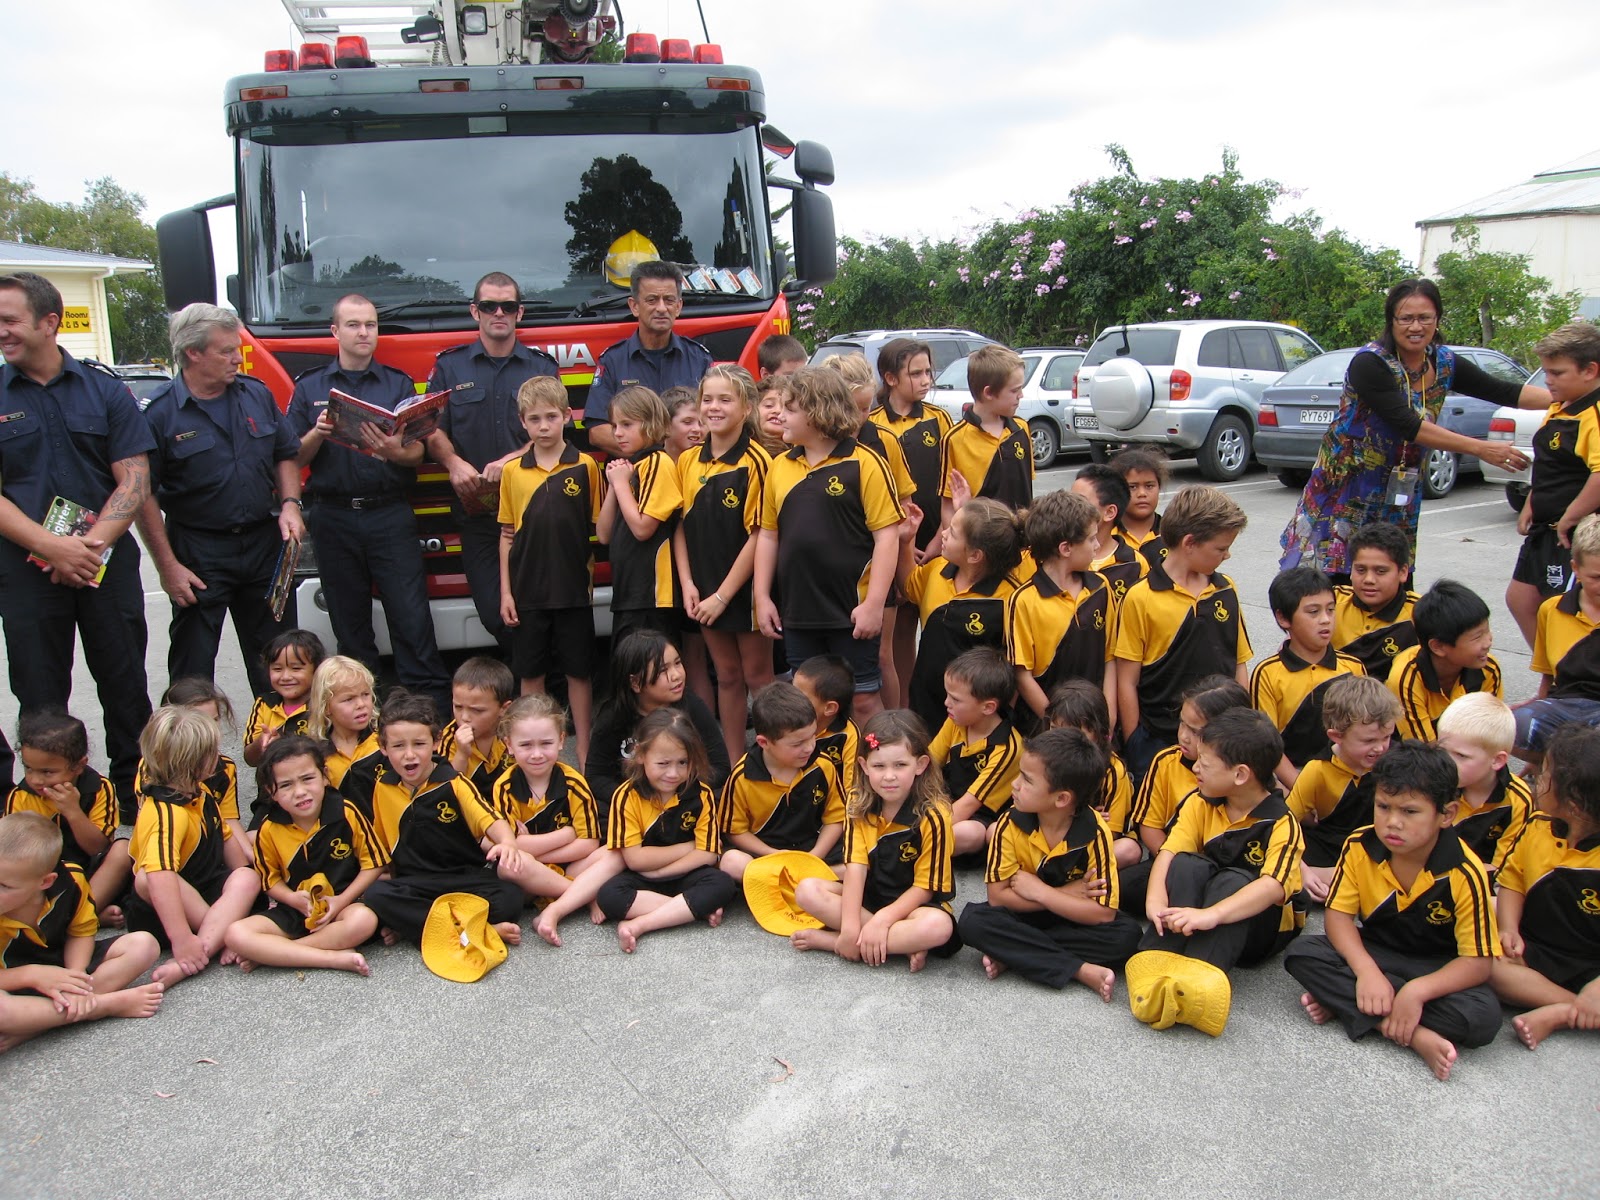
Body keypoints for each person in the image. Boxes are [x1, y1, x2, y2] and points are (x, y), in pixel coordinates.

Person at [0, 271, 153, 818]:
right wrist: (52, 547)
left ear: (49, 322)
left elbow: (133, 480)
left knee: (125, 688)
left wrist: (86, 549)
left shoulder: (104, 389)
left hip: (105, 563)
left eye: (10, 320)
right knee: (40, 698)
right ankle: (51, 817)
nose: (2, 332)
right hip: (24, 570)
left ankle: (135, 811)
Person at [1280, 278, 1544, 582]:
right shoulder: (1370, 362)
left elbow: (1505, 391)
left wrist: (1572, 397)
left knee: (1394, 575)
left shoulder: (1443, 361)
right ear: (1391, 321)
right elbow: (1408, 424)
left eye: (1424, 318)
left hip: (1400, 488)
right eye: (1406, 318)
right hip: (1350, 487)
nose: (1415, 327)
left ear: (1437, 320)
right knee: (1342, 579)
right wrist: (1482, 448)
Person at [1284, 741, 1502, 1082]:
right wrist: (1368, 973)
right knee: (1302, 953)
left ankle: (1348, 1002)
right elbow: (1338, 918)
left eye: (1410, 812)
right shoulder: (1359, 845)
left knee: (1483, 1019)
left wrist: (1416, 992)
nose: (1392, 823)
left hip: (1433, 967)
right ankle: (1410, 1033)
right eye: (1383, 806)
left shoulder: (1465, 872)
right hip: (1376, 952)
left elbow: (1477, 963)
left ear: (1446, 814)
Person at [288, 293, 450, 712]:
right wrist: (318, 433)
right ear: (335, 331)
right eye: (354, 325)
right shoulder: (310, 388)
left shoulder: (396, 384)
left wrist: (391, 450)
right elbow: (290, 459)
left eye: (371, 325)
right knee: (349, 623)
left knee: (411, 616)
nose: (364, 333)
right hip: (333, 515)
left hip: (389, 512)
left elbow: (416, 455)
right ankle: (362, 712)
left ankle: (427, 711)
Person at [137, 303, 306, 696]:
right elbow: (141, 494)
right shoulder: (160, 414)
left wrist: (291, 504)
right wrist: (167, 566)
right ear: (193, 353)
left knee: (280, 661)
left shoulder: (255, 395)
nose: (237, 357)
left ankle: (283, 752)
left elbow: (285, 452)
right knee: (192, 669)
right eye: (226, 350)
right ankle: (191, 755)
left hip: (264, 545)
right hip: (199, 552)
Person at [755, 368, 904, 719]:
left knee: (863, 699)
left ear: (818, 412)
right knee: (806, 702)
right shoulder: (779, 467)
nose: (780, 415)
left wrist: (873, 605)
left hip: (851, 611)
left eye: (790, 408)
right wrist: (761, 596)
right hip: (799, 610)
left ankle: (874, 771)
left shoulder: (866, 463)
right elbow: (768, 534)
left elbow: (887, 537)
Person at [425, 272, 561, 656]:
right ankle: (534, 689)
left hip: (534, 511)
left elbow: (554, 433)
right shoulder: (450, 369)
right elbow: (431, 429)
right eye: (488, 306)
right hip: (480, 515)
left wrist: (511, 460)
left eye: (508, 306)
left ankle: (535, 696)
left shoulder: (541, 368)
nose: (498, 313)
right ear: (475, 311)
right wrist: (453, 463)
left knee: (540, 608)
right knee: (494, 612)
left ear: (520, 313)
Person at [958, 728, 1141, 995]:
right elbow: (998, 899)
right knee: (973, 922)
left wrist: (1043, 893)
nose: (1015, 785)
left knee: (1128, 936)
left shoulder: (1095, 831)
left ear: (1062, 799)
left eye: (1027, 780)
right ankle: (1079, 969)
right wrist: (1065, 893)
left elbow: (1103, 914)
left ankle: (1015, 953)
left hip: (1066, 919)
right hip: (1024, 915)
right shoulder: (1009, 823)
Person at [351, 690, 529, 947]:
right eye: (398, 746)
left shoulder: (453, 782)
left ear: (435, 742)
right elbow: (382, 844)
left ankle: (420, 926)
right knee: (377, 894)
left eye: (419, 744)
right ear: (383, 747)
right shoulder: (383, 787)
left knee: (510, 897)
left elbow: (490, 819)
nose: (409, 755)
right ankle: (475, 930)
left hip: (464, 878)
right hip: (416, 883)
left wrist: (508, 843)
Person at [1137, 709, 1304, 982]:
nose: (1195, 768)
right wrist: (1155, 899)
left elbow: (1273, 887)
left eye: (1205, 762)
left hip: (1256, 930)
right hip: (1204, 913)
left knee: (1234, 879)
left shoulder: (1282, 823)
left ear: (1240, 774)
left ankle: (1199, 977)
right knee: (1186, 863)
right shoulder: (1200, 801)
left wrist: (1212, 915)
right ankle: (1157, 960)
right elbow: (1169, 852)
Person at [790, 709, 960, 971]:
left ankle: (835, 942)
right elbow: (855, 870)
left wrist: (882, 921)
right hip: (870, 896)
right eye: (879, 766)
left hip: (914, 905)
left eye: (900, 765)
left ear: (921, 764)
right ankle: (891, 945)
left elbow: (925, 887)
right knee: (807, 890)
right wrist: (849, 927)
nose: (888, 776)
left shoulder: (934, 814)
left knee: (937, 927)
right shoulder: (858, 803)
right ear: (864, 766)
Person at [1114, 485, 1252, 782]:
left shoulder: (1225, 589)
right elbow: (1127, 680)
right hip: (1160, 739)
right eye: (1220, 548)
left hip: (1221, 741)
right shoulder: (1142, 597)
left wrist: (1245, 725)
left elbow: (1238, 662)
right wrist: (1135, 741)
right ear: (1189, 542)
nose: (1227, 555)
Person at [498, 375, 602, 765]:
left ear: (567, 417)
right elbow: (507, 536)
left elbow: (599, 527)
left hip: (574, 588)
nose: (543, 426)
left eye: (551, 417)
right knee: (531, 674)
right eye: (534, 419)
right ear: (522, 422)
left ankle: (587, 750)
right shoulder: (513, 472)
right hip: (527, 592)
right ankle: (532, 747)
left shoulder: (586, 466)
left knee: (579, 672)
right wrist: (506, 593)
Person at [673, 365, 774, 764]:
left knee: (757, 678)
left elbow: (759, 536)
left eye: (725, 399)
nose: (713, 407)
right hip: (703, 588)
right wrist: (688, 584)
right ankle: (733, 766)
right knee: (726, 676)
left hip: (742, 589)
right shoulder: (686, 462)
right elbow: (679, 526)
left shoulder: (757, 461)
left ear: (746, 407)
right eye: (707, 399)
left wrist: (722, 595)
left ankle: (773, 761)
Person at [0, 811, 163, 1051]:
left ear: (45, 881)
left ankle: (36, 1025)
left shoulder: (72, 880)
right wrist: (32, 974)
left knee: (144, 945)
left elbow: (81, 931)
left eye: (4, 886)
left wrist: (74, 978)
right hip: (11, 981)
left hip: (62, 964)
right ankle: (103, 1006)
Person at [222, 736, 383, 976]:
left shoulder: (346, 812)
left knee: (364, 920)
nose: (300, 792)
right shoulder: (269, 828)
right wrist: (292, 899)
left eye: (308, 779)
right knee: (235, 934)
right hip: (296, 909)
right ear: (271, 792)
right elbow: (270, 880)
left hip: (340, 907)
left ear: (325, 776)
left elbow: (374, 864)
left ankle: (280, 954)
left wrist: (342, 900)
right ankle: (330, 957)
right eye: (286, 785)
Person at [124, 707, 260, 988]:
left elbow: (228, 846)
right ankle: (199, 952)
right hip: (166, 913)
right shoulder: (164, 813)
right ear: (196, 763)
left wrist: (251, 880)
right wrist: (181, 938)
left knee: (247, 877)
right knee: (147, 877)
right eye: (214, 751)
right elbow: (160, 879)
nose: (219, 756)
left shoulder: (201, 792)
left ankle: (216, 937)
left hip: (206, 891)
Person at [1491, 726, 1600, 1050]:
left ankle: (1568, 1012)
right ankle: (1573, 1009)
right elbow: (1512, 881)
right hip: (1538, 948)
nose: (1536, 774)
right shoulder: (1537, 826)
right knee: (1485, 964)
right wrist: (1509, 929)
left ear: (1576, 805)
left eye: (1546, 773)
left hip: (1594, 963)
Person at [596, 708, 737, 952]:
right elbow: (635, 859)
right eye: (663, 763)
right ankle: (687, 909)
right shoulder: (626, 795)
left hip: (685, 874)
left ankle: (643, 924)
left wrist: (660, 873)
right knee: (609, 895)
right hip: (642, 877)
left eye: (683, 762)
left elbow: (708, 854)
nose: (673, 773)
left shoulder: (702, 795)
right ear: (640, 755)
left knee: (723, 884)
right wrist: (688, 846)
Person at [827, 352, 920, 709]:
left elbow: (906, 510)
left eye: (866, 408)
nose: (858, 419)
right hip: (827, 577)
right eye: (851, 408)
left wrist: (903, 553)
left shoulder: (884, 442)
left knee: (882, 658)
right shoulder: (808, 444)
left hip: (876, 569)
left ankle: (896, 729)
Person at [490, 695, 616, 947]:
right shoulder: (503, 787)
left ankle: (555, 909)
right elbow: (508, 847)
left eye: (546, 743)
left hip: (571, 866)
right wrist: (565, 835)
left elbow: (589, 843)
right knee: (508, 865)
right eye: (525, 745)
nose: (536, 754)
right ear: (509, 745)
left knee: (616, 854)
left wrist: (530, 844)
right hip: (529, 877)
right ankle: (583, 894)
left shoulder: (574, 784)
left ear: (560, 740)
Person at [1124, 676, 1251, 914]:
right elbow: (1149, 827)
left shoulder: (1244, 773)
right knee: (1124, 887)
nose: (1183, 736)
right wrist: (1173, 864)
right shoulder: (1166, 762)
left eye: (1195, 731)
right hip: (1173, 859)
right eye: (1182, 724)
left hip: (1227, 870)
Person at [1507, 324, 1600, 648]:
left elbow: (1599, 475)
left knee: (1566, 612)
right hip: (1543, 530)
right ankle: (1555, 675)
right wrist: (1532, 503)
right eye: (1545, 372)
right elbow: (1551, 464)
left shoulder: (1594, 414)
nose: (1548, 380)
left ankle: (1573, 680)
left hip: (1574, 534)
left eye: (1557, 373)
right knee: (1521, 600)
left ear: (1590, 370)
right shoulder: (1559, 408)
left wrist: (1570, 518)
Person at [898, 498, 1023, 732]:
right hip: (926, 704)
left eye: (953, 533)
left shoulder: (1010, 598)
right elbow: (909, 586)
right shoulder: (937, 571)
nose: (943, 534)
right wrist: (905, 542)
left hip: (975, 719)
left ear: (975, 555)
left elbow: (1016, 668)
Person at [585, 632, 731, 821]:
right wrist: (637, 801)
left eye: (678, 663)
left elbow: (720, 767)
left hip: (684, 802)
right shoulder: (614, 717)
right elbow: (595, 776)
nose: (676, 675)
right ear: (636, 682)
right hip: (632, 807)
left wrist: (680, 791)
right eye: (663, 670)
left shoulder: (692, 707)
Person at [1006, 490, 1115, 731]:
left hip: (1095, 726)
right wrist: (1057, 723)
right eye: (1091, 539)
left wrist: (1108, 719)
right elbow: (1022, 675)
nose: (1097, 546)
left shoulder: (1100, 588)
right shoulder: (1024, 600)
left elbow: (1109, 659)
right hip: (1047, 727)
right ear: (1065, 548)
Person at [1287, 675, 1402, 903]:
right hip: (1331, 846)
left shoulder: (1398, 762)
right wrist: (1303, 870)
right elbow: (1283, 823)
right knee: (1283, 861)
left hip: (1379, 844)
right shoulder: (1318, 770)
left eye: (1387, 737)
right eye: (1368, 741)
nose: (1380, 748)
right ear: (1336, 736)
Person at [583, 261, 713, 457]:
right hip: (634, 478)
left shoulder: (699, 359)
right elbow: (597, 432)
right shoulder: (613, 360)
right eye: (652, 300)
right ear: (634, 306)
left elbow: (715, 421)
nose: (661, 308)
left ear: (678, 307)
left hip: (689, 477)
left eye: (669, 300)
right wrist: (655, 458)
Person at [719, 681, 846, 881]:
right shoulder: (742, 776)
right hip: (767, 853)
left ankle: (785, 885)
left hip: (814, 848)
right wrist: (773, 854)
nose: (809, 747)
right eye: (797, 743)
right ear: (764, 742)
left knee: (858, 861)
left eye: (812, 736)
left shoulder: (823, 765)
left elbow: (836, 819)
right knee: (731, 862)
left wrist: (815, 856)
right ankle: (804, 885)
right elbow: (735, 831)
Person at [1250, 565, 1366, 783]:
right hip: (1290, 778)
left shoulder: (1353, 667)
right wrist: (1300, 788)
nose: (1325, 619)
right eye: (1313, 612)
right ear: (1284, 618)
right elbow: (1267, 743)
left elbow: (1363, 734)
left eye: (1330, 610)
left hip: (1345, 776)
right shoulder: (1267, 674)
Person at [5, 712, 121, 911]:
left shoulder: (99, 788)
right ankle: (84, 920)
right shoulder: (21, 797)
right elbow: (16, 855)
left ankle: (84, 914)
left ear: (79, 766)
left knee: (122, 852)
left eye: (47, 772)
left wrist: (73, 811)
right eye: (28, 768)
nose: (35, 780)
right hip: (44, 878)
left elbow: (98, 848)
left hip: (90, 873)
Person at [598, 385, 683, 644]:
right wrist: (615, 484)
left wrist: (622, 483)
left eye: (627, 424)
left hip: (653, 595)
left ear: (650, 423)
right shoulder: (633, 466)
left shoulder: (659, 462)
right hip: (627, 591)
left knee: (651, 672)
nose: (618, 433)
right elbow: (603, 534)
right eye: (614, 426)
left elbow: (643, 528)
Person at [1515, 514, 1600, 760]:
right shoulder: (1551, 610)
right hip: (1566, 706)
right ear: (1576, 569)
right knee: (1505, 726)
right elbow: (1548, 679)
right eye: (1596, 577)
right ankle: (1549, 769)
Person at [931, 649, 1023, 856]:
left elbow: (970, 804)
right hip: (947, 801)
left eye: (955, 699)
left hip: (979, 816)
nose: (946, 703)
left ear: (988, 707)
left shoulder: (1007, 748)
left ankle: (912, 850)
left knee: (970, 833)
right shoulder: (956, 721)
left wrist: (924, 830)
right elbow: (928, 763)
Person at [142, 678, 247, 858]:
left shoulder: (225, 767)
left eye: (214, 720)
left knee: (262, 839)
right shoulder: (152, 768)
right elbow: (156, 824)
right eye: (200, 721)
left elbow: (228, 820)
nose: (210, 729)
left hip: (212, 838)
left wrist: (253, 860)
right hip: (170, 845)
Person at [1387, 579, 1501, 742]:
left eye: (1487, 631)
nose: (1488, 643)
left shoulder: (1488, 668)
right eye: (1477, 637)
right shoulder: (1406, 678)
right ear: (1438, 647)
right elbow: (1425, 752)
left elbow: (1489, 735)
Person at [1045, 681, 1140, 870]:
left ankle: (1062, 872)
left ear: (1097, 733)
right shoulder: (1042, 759)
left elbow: (1111, 833)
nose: (1063, 739)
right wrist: (1081, 816)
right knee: (995, 831)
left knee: (1128, 850)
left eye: (1074, 732)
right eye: (1055, 729)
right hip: (1048, 833)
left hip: (1091, 843)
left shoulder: (1112, 771)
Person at [1436, 693, 1530, 876]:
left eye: (1461, 756)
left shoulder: (1517, 801)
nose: (1447, 762)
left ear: (1497, 760)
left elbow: (1502, 868)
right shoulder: (1433, 782)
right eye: (1442, 751)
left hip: (1479, 884)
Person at [940, 344, 1033, 522]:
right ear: (989, 392)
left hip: (1023, 542)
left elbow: (1027, 491)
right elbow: (948, 505)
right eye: (1014, 390)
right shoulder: (955, 439)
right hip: (981, 543)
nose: (1021, 395)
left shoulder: (1022, 429)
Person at [1332, 522, 1418, 681]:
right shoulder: (1331, 603)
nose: (1369, 580)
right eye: (1361, 570)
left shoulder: (1420, 614)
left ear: (1403, 572)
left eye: (1380, 571)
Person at [242, 629, 324, 771]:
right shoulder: (264, 703)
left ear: (317, 669)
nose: (286, 676)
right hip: (274, 788)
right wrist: (263, 742)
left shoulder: (324, 705)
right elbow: (250, 759)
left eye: (296, 668)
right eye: (277, 669)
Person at [439, 656, 515, 798]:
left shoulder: (516, 731)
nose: (465, 717)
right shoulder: (449, 738)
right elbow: (446, 790)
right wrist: (462, 754)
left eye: (477, 710)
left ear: (504, 708)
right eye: (458, 707)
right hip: (469, 807)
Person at [1072, 465, 1146, 605]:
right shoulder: (1058, 557)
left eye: (1080, 501)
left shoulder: (1135, 563)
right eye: (1070, 499)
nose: (1071, 507)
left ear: (1109, 512)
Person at [305, 657, 381, 790]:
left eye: (365, 694)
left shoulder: (384, 739)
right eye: (348, 699)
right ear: (326, 706)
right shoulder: (317, 755)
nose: (361, 704)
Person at [794, 654, 860, 793]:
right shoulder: (783, 723)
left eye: (800, 696)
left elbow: (851, 790)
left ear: (829, 708)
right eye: (791, 690)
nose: (790, 699)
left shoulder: (848, 737)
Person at [1110, 448, 1168, 570]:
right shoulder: (1106, 536)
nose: (1142, 493)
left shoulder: (1172, 534)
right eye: (1132, 487)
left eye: (1149, 486)